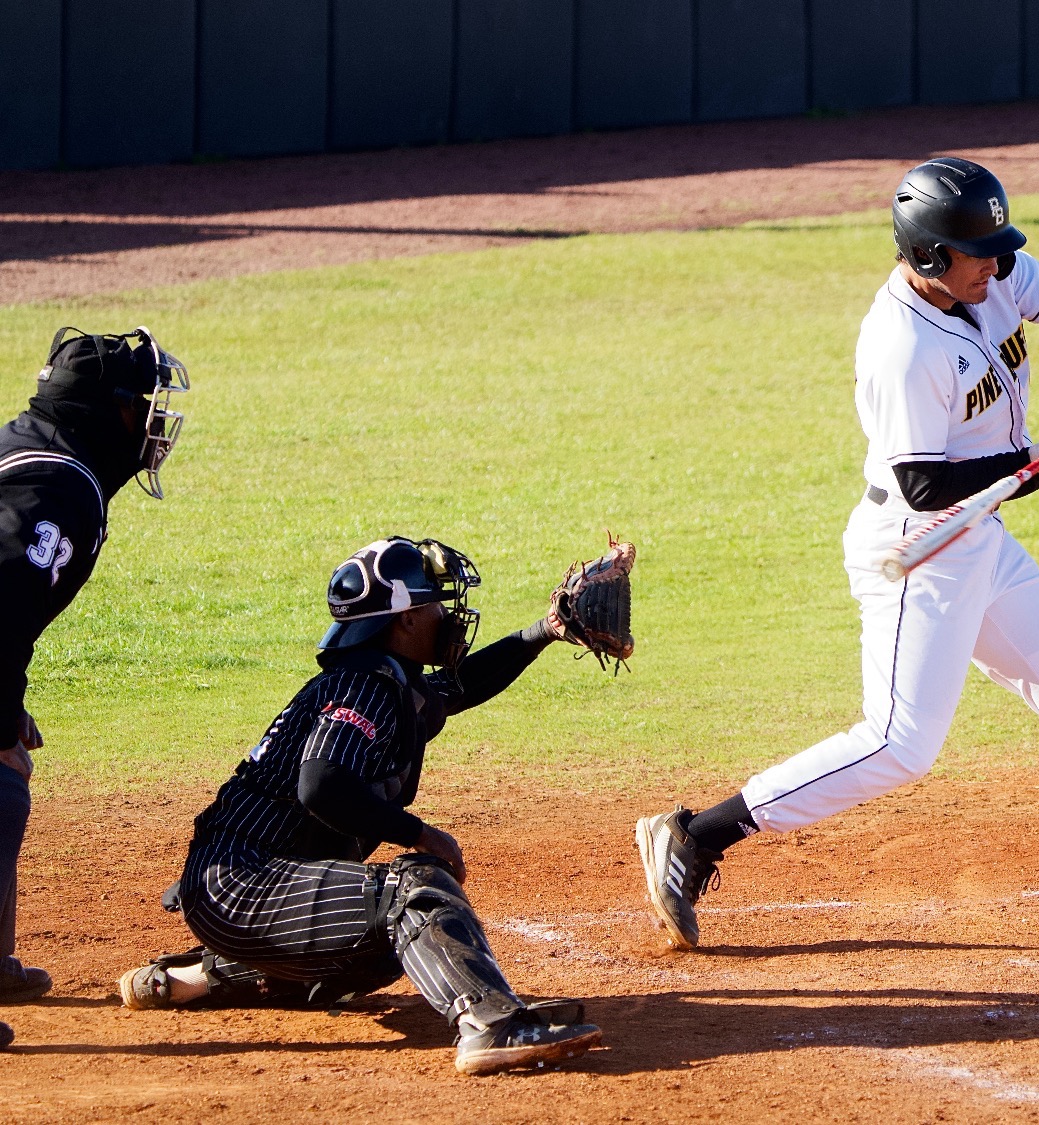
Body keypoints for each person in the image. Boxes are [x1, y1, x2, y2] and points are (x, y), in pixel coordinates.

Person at [635, 157, 1039, 950]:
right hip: (919, 548)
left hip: (980, 538)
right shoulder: (901, 346)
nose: (998, 265)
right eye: (980, 253)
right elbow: (925, 484)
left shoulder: (992, 275)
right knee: (899, 744)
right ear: (930, 254)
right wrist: (1034, 463)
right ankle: (695, 835)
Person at [116, 537, 604, 1076]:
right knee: (416, 888)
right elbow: (321, 784)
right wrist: (420, 833)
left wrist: (544, 631)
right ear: (405, 619)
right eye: (435, 604)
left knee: (391, 944)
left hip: (235, 891)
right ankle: (490, 1025)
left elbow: (459, 688)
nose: (447, 617)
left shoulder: (382, 680)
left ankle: (192, 980)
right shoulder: (362, 687)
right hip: (244, 885)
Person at [0, 327, 191, 1047]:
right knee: (0, 785)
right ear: (109, 410)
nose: (152, 422)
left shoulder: (33, 450)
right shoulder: (55, 486)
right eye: (142, 404)